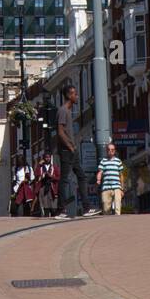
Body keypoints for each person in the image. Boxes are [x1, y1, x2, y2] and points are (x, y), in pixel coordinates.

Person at [54, 84, 97, 219]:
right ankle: (61, 210)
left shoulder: (68, 111)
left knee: (81, 177)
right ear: (68, 96)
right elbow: (60, 132)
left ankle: (86, 208)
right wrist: (70, 147)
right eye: (74, 94)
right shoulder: (62, 111)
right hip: (67, 150)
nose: (76, 96)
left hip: (72, 150)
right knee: (64, 179)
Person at [96, 140, 125, 215]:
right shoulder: (103, 161)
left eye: (112, 150)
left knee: (117, 206)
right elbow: (100, 172)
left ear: (114, 151)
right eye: (108, 150)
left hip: (117, 187)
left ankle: (117, 223)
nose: (110, 151)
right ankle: (108, 223)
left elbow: (121, 175)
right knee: (106, 209)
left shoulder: (118, 161)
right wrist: (98, 179)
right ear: (106, 151)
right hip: (106, 187)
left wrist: (122, 188)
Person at [34, 153, 60, 217]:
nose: (47, 159)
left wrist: (51, 176)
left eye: (48, 157)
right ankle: (46, 217)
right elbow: (36, 175)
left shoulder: (54, 167)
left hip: (52, 188)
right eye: (46, 157)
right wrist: (39, 166)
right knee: (45, 206)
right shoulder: (40, 167)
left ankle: (54, 216)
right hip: (43, 187)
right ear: (43, 158)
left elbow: (58, 177)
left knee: (53, 207)